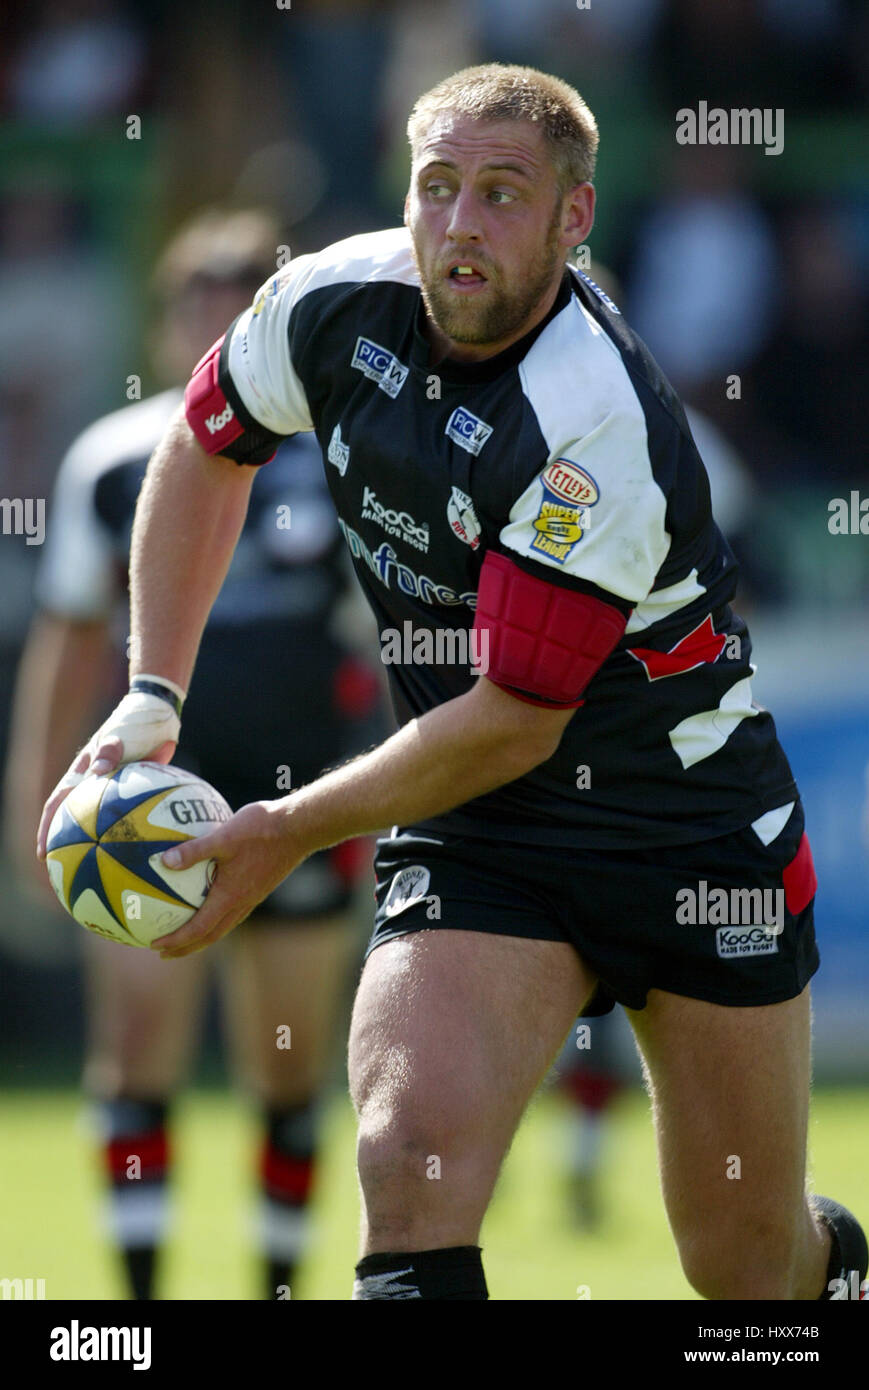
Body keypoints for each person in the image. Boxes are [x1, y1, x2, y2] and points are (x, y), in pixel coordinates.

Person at [38, 65, 867, 1302]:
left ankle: (834, 1266)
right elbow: (205, 447)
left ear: (572, 218)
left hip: (685, 827)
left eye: (500, 193)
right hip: (483, 826)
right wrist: (152, 691)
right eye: (437, 188)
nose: (459, 225)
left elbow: (517, 721)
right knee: (406, 1160)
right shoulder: (323, 303)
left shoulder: (596, 419)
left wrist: (280, 828)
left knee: (746, 1269)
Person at [11, 208, 383, 1300]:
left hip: (303, 806)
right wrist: (32, 801)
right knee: (138, 1050)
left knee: (287, 1065)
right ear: (167, 319)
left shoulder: (340, 455)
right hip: (136, 823)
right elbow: (69, 640)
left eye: (243, 295)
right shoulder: (116, 461)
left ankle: (273, 1284)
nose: (218, 316)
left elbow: (394, 639)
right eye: (198, 297)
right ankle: (138, 1301)